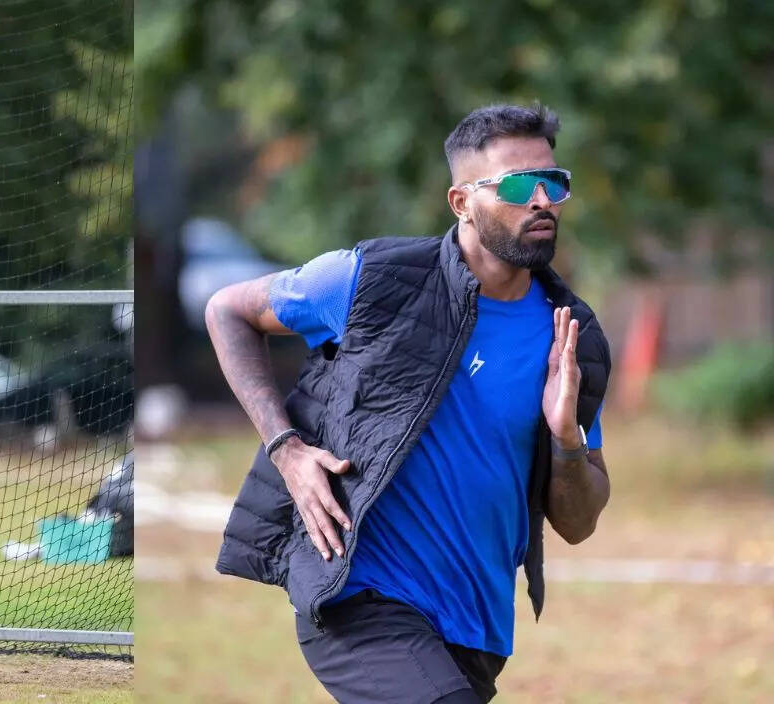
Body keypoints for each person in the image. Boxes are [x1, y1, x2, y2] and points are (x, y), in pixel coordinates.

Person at [207, 103, 612, 703]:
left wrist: (564, 438)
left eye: (553, 182)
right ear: (461, 203)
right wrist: (287, 451)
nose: (542, 201)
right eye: (519, 185)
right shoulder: (371, 279)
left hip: (476, 627)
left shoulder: (570, 336)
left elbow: (577, 524)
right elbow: (229, 309)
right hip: (360, 597)